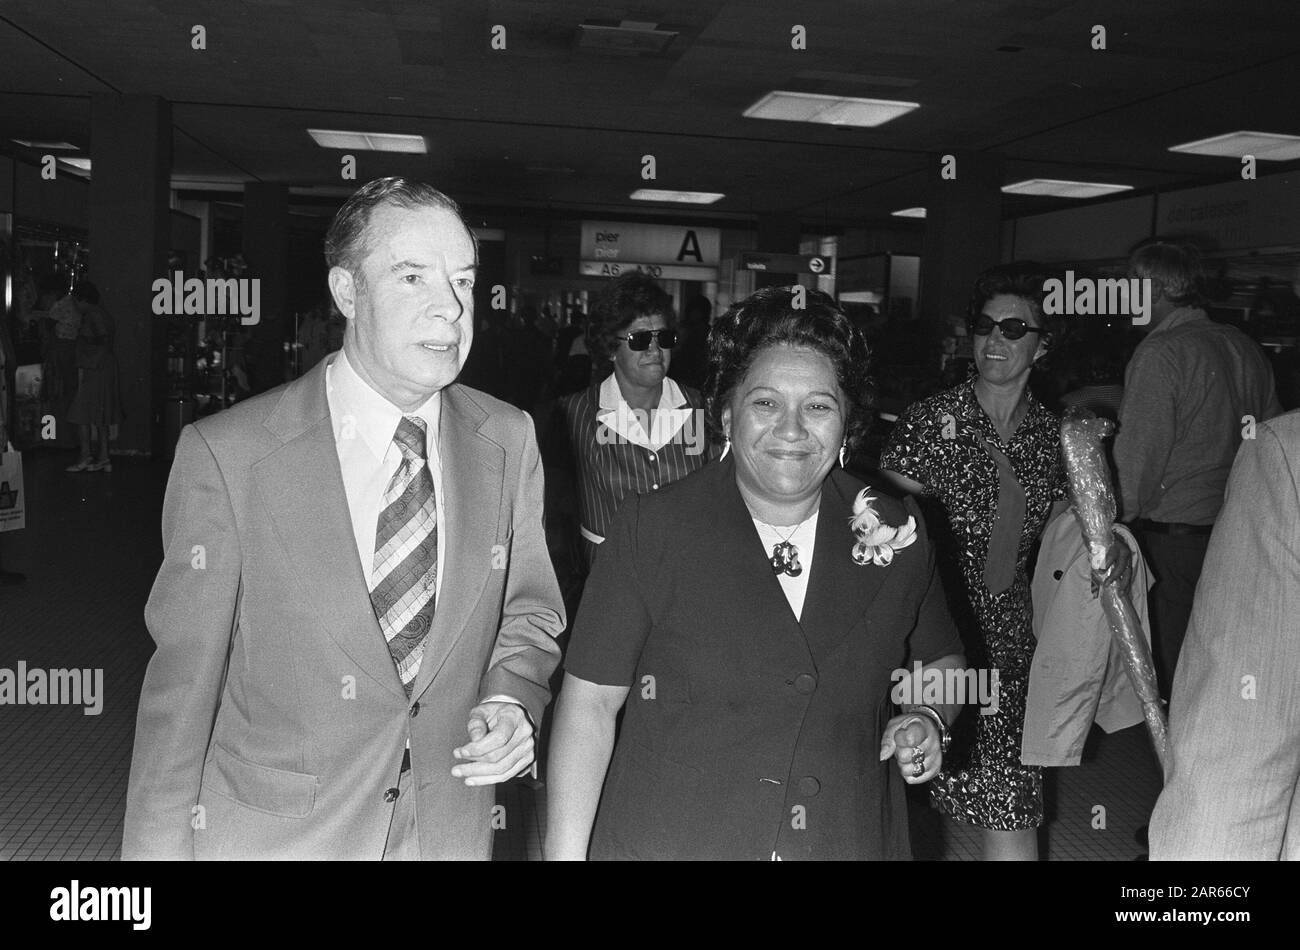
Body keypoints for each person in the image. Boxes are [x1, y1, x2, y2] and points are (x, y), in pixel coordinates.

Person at [123, 177, 565, 860]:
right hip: (277, 839)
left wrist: (511, 698)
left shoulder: (507, 439)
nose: (450, 308)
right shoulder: (231, 454)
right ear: (347, 292)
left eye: (464, 281)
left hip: (447, 832)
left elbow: (528, 611)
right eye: (413, 277)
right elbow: (181, 698)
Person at [545, 287, 967, 860]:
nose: (791, 430)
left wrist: (927, 714)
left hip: (845, 837)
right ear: (725, 413)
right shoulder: (655, 529)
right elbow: (589, 706)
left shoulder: (898, 530)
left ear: (848, 423)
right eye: (766, 403)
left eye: (819, 406)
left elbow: (942, 659)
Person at [879, 263, 1131, 860]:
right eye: (985, 325)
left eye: (1015, 329)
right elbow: (879, 529)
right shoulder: (928, 423)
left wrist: (1111, 543)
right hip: (925, 625)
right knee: (897, 777)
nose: (996, 340)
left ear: (1042, 346)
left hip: (1006, 637)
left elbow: (1079, 527)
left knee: (1008, 797)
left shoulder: (1057, 437)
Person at [1113, 240, 1282, 700]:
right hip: (1237, 535)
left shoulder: (1161, 354)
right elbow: (1271, 444)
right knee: (1218, 667)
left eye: (1132, 284)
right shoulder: (1243, 347)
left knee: (1171, 673)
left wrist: (1108, 529)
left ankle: (1175, 768)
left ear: (1159, 289)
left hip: (1173, 543)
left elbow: (1138, 461)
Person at [1148, 409, 1300, 859]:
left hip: (1176, 543)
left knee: (1201, 688)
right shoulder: (1249, 356)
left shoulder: (1287, 452)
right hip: (1216, 534)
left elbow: (1238, 742)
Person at [558, 273, 710, 570]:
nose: (655, 350)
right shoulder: (574, 414)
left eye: (663, 338)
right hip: (607, 582)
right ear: (611, 348)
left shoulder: (702, 409)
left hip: (687, 578)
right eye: (640, 340)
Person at [64, 282, 123, 473]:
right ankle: (103, 457)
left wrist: (88, 361)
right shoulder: (102, 313)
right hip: (104, 366)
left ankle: (85, 455)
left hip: (94, 366)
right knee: (101, 414)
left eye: (76, 301)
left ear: (83, 299)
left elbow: (101, 340)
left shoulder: (92, 315)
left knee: (81, 413)